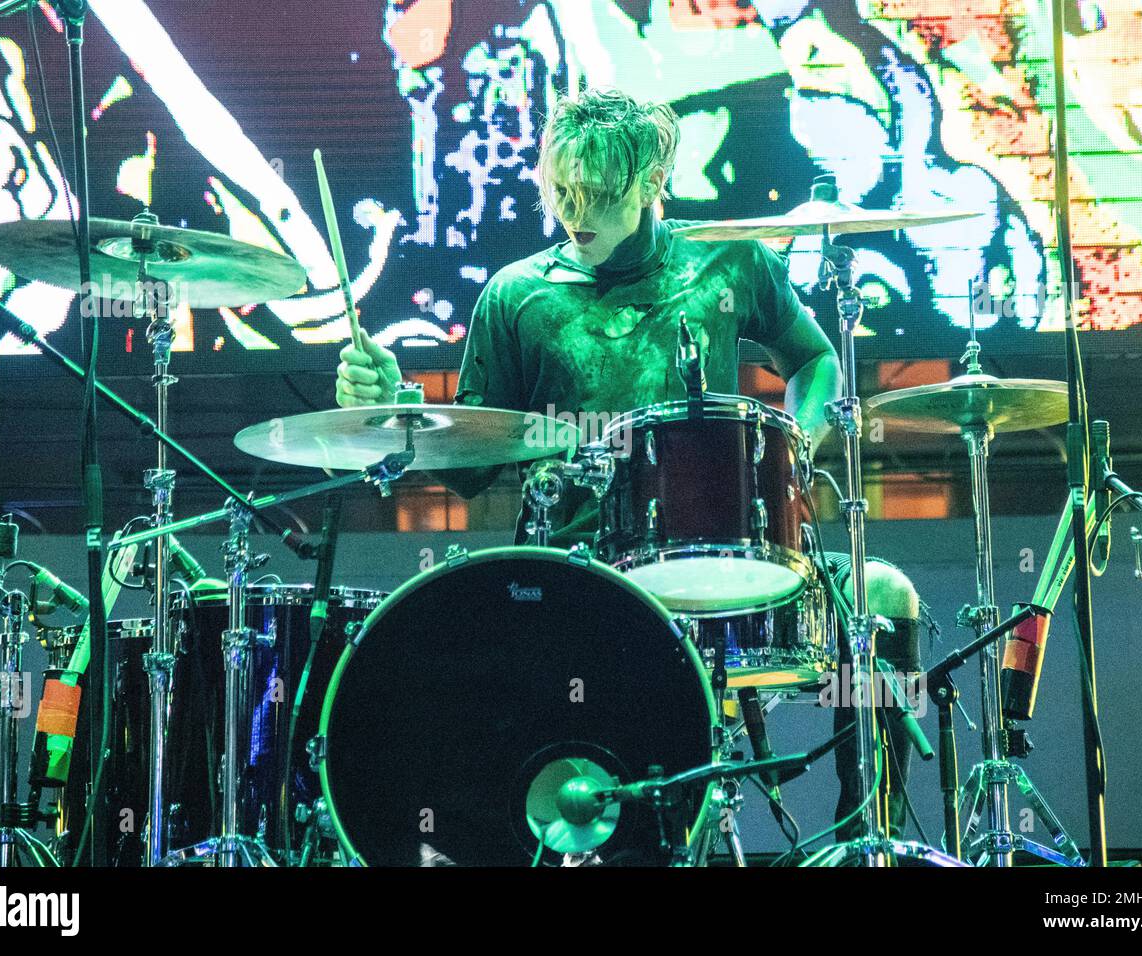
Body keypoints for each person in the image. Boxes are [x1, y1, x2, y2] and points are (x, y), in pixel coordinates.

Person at [336, 87, 920, 846]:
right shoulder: (516, 295)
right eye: (562, 192)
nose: (576, 213)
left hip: (722, 559)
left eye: (599, 195)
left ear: (653, 182)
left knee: (886, 593)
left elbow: (812, 359)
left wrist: (797, 449)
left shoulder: (729, 262)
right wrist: (396, 410)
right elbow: (473, 463)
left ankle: (863, 842)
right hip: (575, 572)